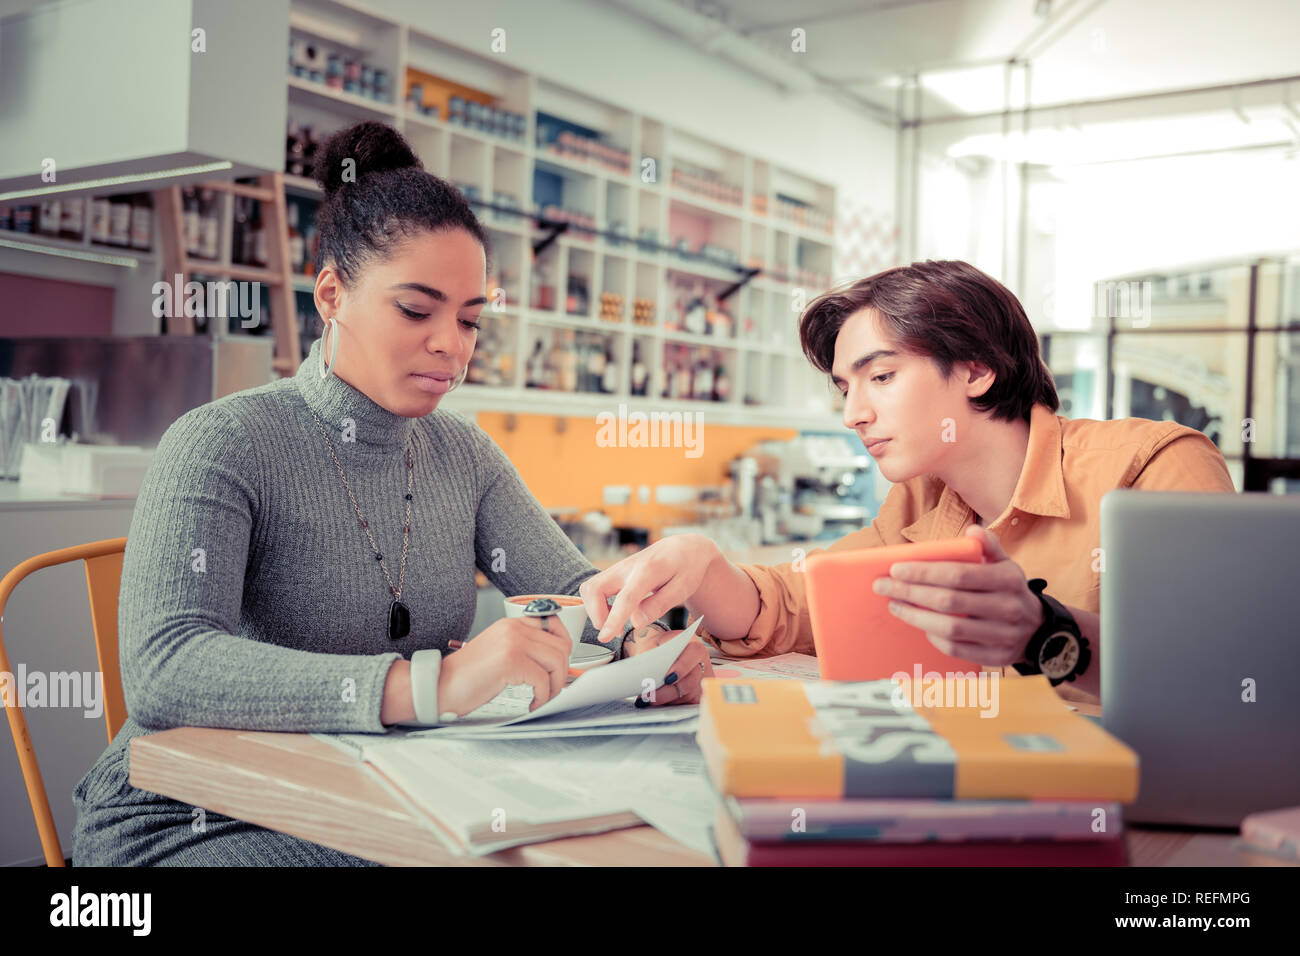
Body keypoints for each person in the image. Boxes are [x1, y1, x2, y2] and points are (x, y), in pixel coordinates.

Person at [71, 121, 707, 866]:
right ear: (332, 295)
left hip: (377, 791)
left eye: (470, 319)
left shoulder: (460, 452)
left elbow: (572, 592)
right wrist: (432, 684)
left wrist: (645, 641)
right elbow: (165, 666)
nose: (452, 344)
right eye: (417, 310)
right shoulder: (223, 442)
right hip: (196, 813)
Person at [581, 259, 1236, 707]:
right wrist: (702, 565)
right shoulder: (924, 501)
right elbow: (798, 603)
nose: (852, 412)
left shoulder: (1154, 467)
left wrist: (1046, 632)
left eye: (881, 376)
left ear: (977, 368)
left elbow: (1222, 676)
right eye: (845, 386)